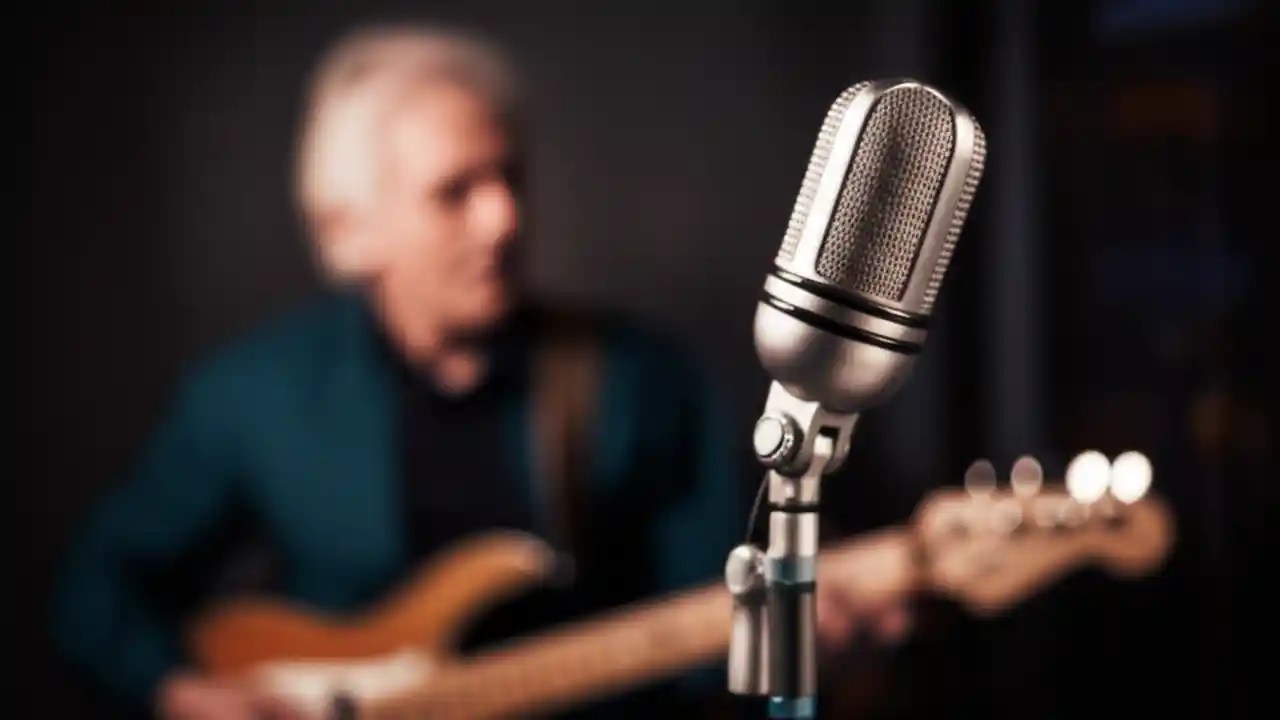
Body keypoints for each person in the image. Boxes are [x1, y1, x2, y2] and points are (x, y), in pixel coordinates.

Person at [50, 23, 896, 719]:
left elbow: (702, 643)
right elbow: (95, 586)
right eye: (455, 191)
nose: (504, 219)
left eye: (510, 179)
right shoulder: (248, 395)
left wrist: (797, 647)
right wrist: (176, 691)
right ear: (350, 231)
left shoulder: (646, 382)